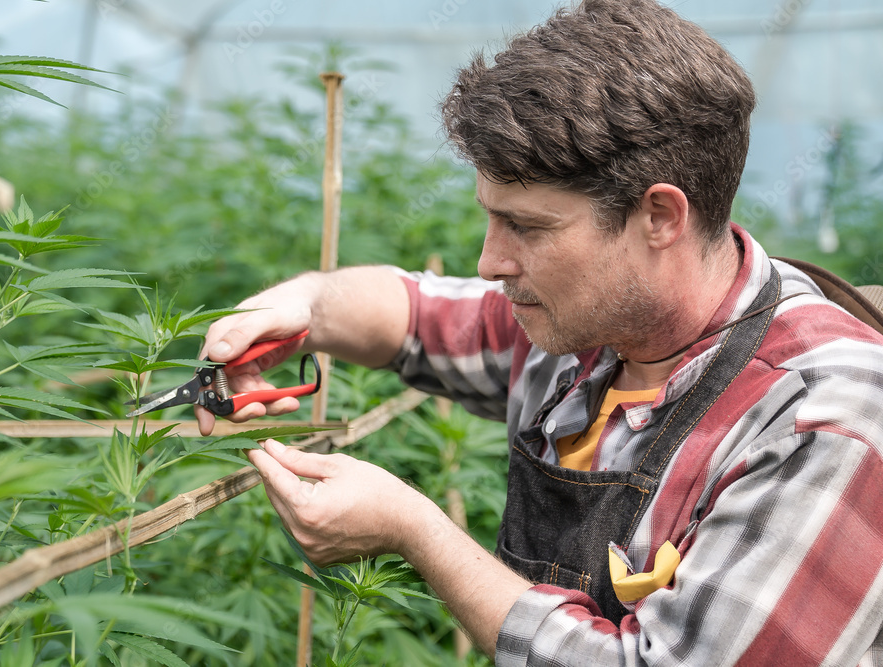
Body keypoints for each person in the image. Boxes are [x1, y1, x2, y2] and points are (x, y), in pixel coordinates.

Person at [197, 0, 883, 663]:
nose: (489, 261)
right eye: (491, 217)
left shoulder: (821, 416)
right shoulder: (590, 325)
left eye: (526, 226)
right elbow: (414, 315)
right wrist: (303, 306)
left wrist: (417, 531)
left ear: (660, 218)